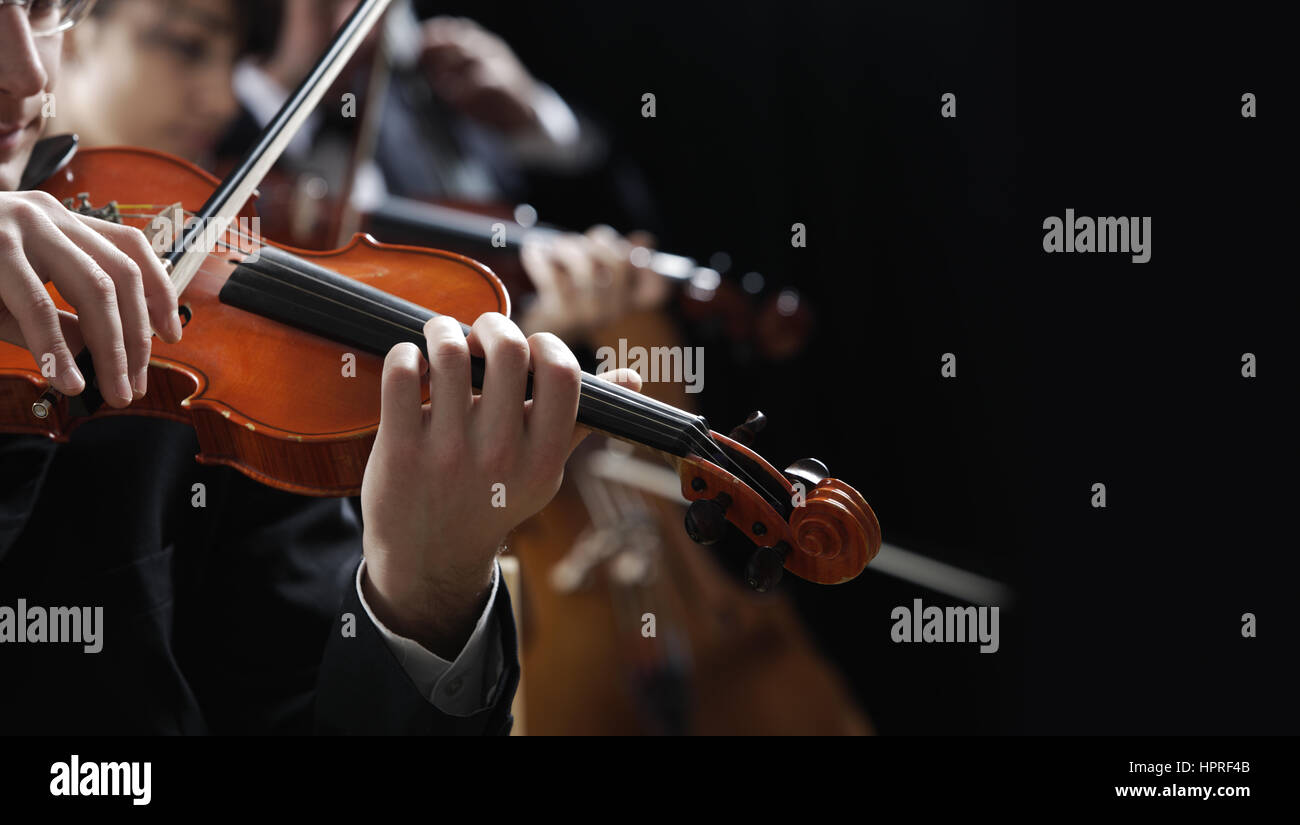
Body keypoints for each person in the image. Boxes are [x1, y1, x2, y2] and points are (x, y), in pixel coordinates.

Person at [0, 0, 639, 734]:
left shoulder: (223, 374)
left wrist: (425, 597)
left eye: (43, 5)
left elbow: (299, 705)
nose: (23, 74)